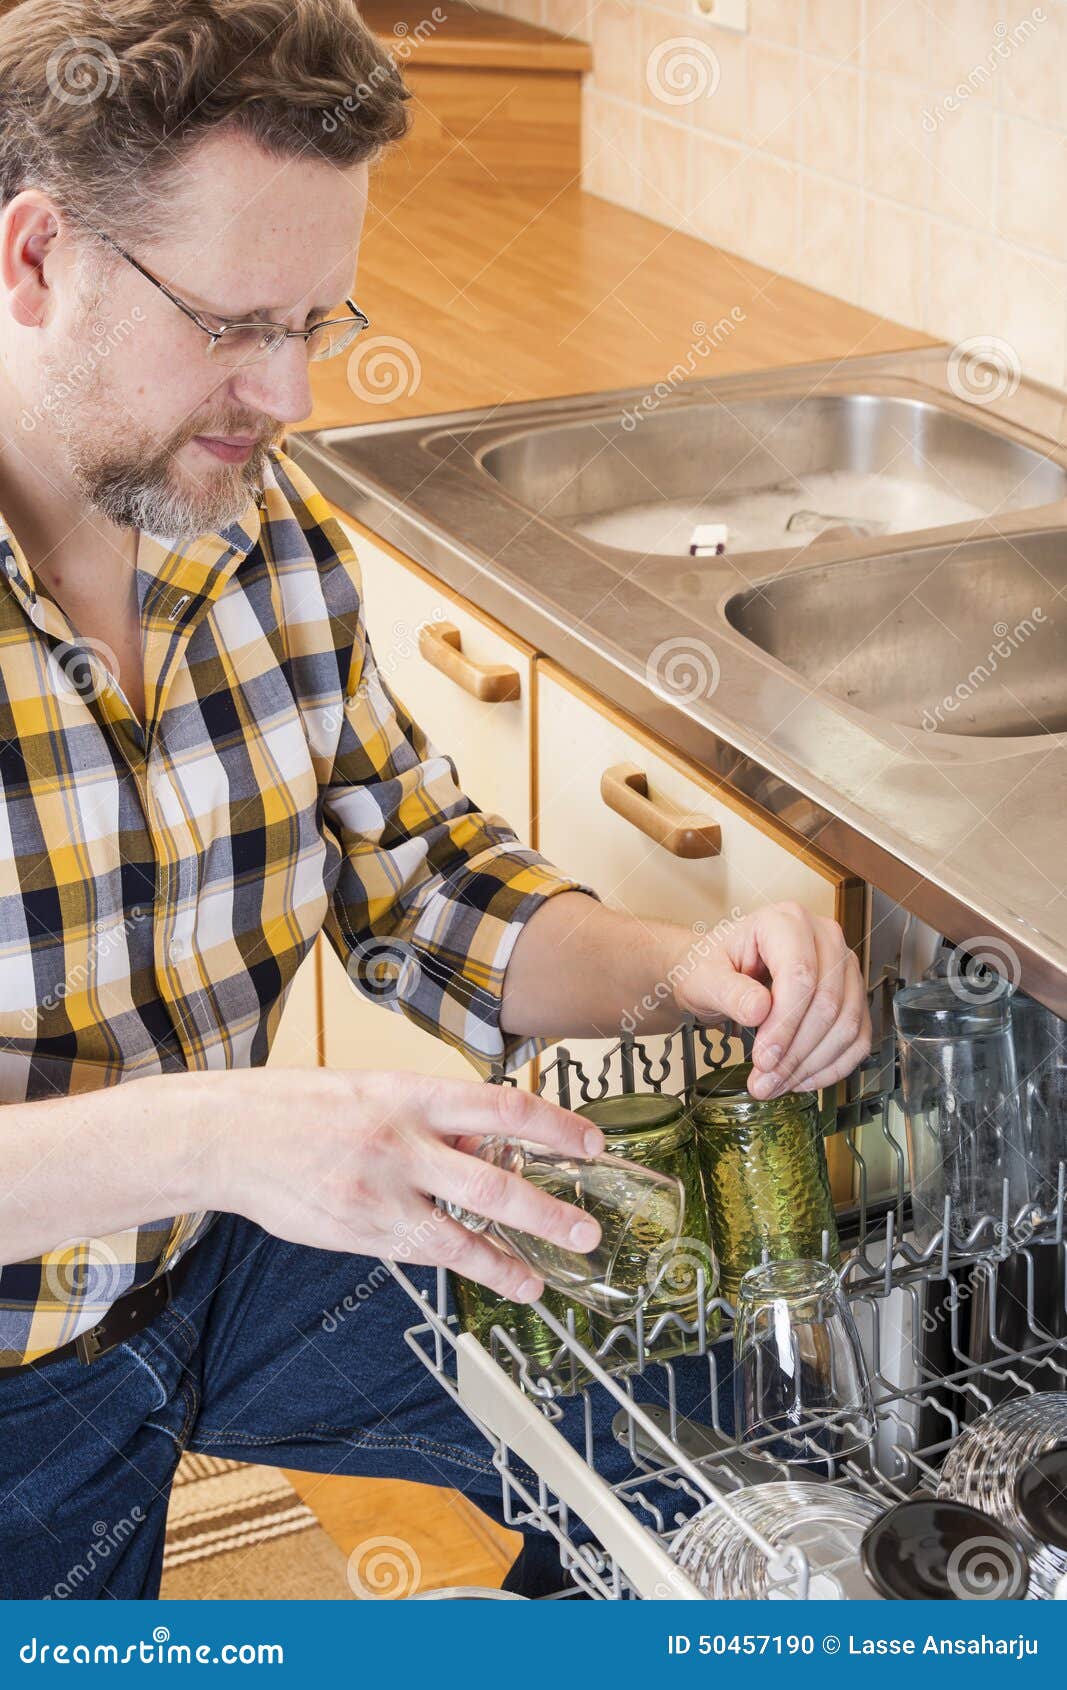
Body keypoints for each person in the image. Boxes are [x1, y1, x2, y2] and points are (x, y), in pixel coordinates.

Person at [0, 0, 871, 1598]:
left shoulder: (252, 524)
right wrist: (218, 1136)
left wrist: (680, 963)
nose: (292, 396)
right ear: (37, 259)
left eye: (319, 323)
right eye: (234, 322)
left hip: (225, 1250)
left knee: (690, 1399)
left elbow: (421, 878)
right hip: (22, 1360)